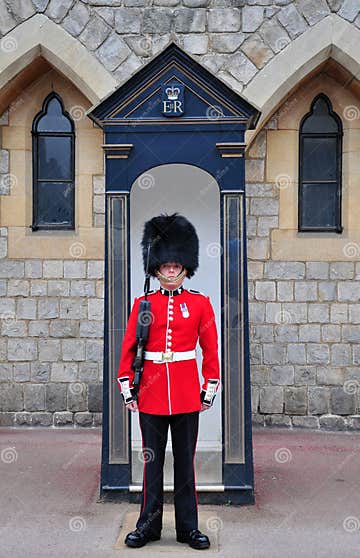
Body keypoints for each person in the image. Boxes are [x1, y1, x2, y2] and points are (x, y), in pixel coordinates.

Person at [117, 213, 220, 550]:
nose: (171, 269)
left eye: (177, 264)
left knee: (185, 467)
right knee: (151, 464)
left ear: (185, 267)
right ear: (156, 268)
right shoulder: (142, 304)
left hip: (188, 394)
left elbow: (209, 349)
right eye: (166, 265)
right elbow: (129, 347)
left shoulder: (201, 304)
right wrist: (127, 387)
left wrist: (210, 385)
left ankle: (188, 529)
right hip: (150, 394)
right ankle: (148, 526)